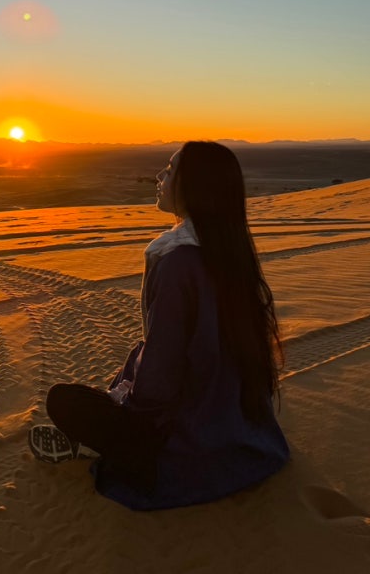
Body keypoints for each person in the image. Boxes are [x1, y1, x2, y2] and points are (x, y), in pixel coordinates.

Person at [28, 140, 290, 509]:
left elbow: (163, 372)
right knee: (119, 385)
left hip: (185, 428)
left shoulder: (179, 263)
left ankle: (121, 451)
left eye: (169, 170)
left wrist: (128, 413)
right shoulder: (229, 250)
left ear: (193, 186)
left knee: (65, 401)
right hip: (233, 416)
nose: (159, 176)